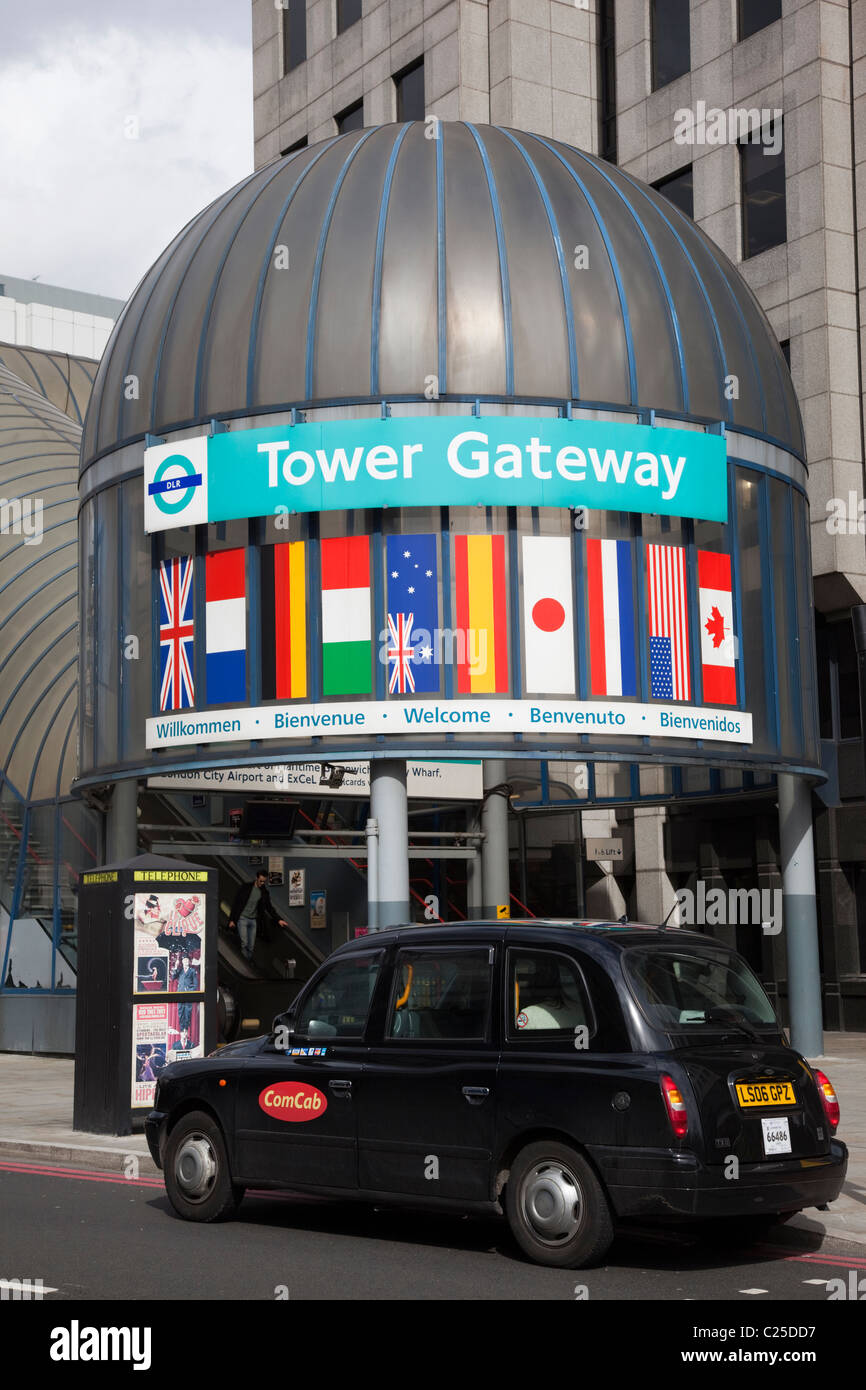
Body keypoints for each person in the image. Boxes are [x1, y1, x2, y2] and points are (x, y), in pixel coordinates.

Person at [228, 871, 288, 961]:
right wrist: (231, 920)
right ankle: (245, 963)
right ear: (256, 878)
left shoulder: (264, 893)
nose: (262, 883)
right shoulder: (246, 887)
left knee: (251, 946)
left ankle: (247, 962)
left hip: (253, 921)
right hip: (242, 918)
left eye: (264, 881)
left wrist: (278, 920)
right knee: (244, 942)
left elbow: (269, 908)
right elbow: (236, 903)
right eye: (261, 881)